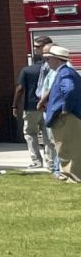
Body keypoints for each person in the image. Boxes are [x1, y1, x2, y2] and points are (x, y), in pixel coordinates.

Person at [42, 44, 80, 183]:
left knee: (67, 148)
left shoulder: (65, 73)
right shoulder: (66, 72)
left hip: (67, 118)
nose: (47, 62)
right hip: (69, 117)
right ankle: (69, 175)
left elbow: (69, 90)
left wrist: (66, 109)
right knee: (68, 147)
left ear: (57, 59)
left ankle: (70, 177)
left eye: (48, 59)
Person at [17, 38, 54, 170]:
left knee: (30, 134)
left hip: (31, 106)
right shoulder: (53, 69)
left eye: (37, 46)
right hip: (48, 106)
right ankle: (50, 162)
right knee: (48, 135)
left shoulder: (27, 70)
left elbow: (20, 89)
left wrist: (15, 105)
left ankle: (36, 161)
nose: (34, 48)